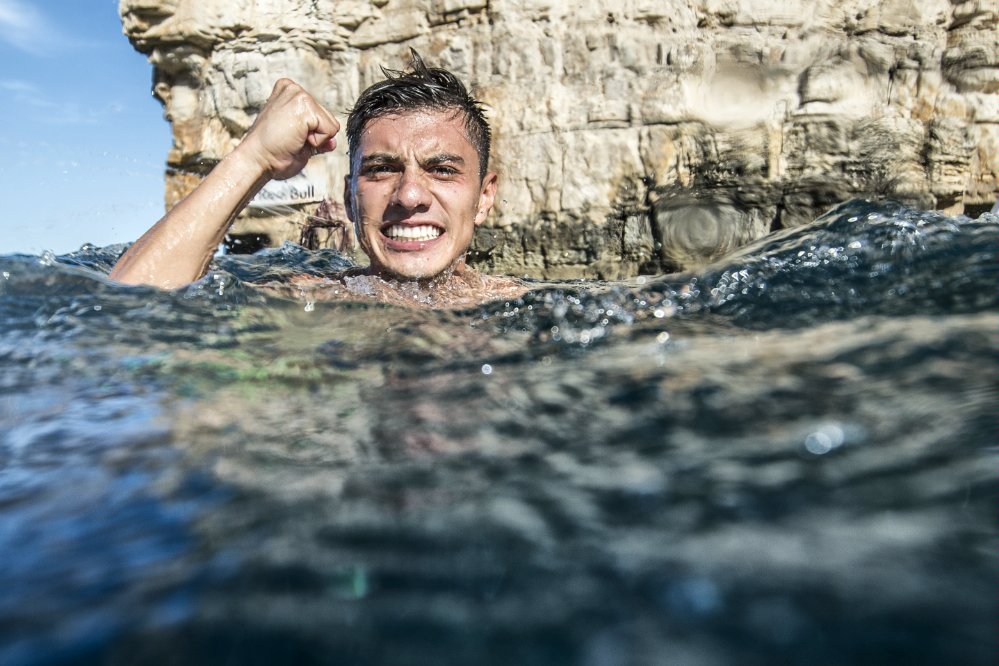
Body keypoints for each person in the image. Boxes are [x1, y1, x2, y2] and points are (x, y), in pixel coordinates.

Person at [109, 53, 526, 308]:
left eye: (442, 169)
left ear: (484, 197)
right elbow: (125, 309)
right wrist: (254, 158)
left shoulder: (528, 308)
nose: (410, 194)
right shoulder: (310, 298)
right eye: (381, 169)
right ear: (349, 197)